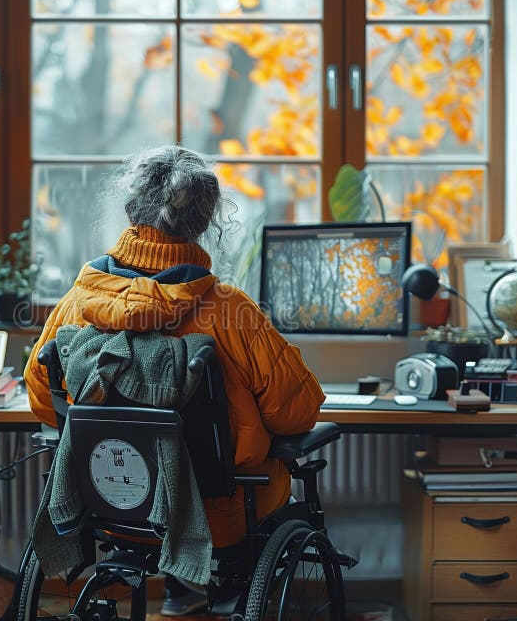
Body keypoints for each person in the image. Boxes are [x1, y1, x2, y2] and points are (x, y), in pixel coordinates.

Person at [24, 145, 325, 615]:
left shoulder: (77, 303)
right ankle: (216, 585)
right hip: (219, 516)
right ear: (205, 221)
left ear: (131, 211)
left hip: (116, 508)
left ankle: (181, 587)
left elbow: (46, 402)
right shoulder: (230, 311)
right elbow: (298, 413)